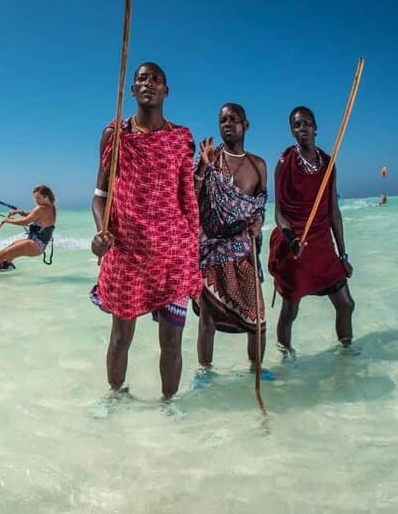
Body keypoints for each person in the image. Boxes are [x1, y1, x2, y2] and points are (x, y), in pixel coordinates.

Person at [89, 62, 202, 401]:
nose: (148, 83)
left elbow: (186, 196)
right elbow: (99, 198)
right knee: (121, 337)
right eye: (141, 79)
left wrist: (192, 247)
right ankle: (115, 397)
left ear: (166, 91)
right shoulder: (116, 135)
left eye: (156, 79)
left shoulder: (182, 139)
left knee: (171, 342)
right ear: (132, 90)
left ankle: (169, 406)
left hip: (173, 253)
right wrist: (101, 233)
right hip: (127, 253)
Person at [268, 106, 355, 355]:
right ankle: (285, 355)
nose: (302, 128)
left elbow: (334, 212)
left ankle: (346, 356)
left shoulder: (328, 163)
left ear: (316, 128)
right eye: (297, 125)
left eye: (306, 124)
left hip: (322, 246)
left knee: (346, 304)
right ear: (292, 131)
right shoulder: (284, 163)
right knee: (290, 312)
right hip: (295, 246)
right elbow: (279, 214)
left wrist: (343, 255)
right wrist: (291, 239)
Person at [192, 103, 268, 375]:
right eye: (222, 119)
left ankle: (256, 370)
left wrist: (258, 224)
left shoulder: (258, 165)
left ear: (245, 125)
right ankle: (205, 373)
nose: (227, 123)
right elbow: (191, 198)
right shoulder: (210, 159)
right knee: (207, 320)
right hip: (210, 250)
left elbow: (260, 206)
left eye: (233, 119)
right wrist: (203, 166)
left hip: (244, 251)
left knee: (256, 318)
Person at [0, 185, 57, 268]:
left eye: (38, 198)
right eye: (35, 198)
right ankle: (5, 264)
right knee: (10, 247)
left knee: (5, 253)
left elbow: (24, 222)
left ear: (46, 196)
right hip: (39, 245)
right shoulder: (51, 207)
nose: (36, 201)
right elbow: (33, 214)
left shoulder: (41, 208)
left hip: (35, 244)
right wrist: (19, 212)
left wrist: (8, 220)